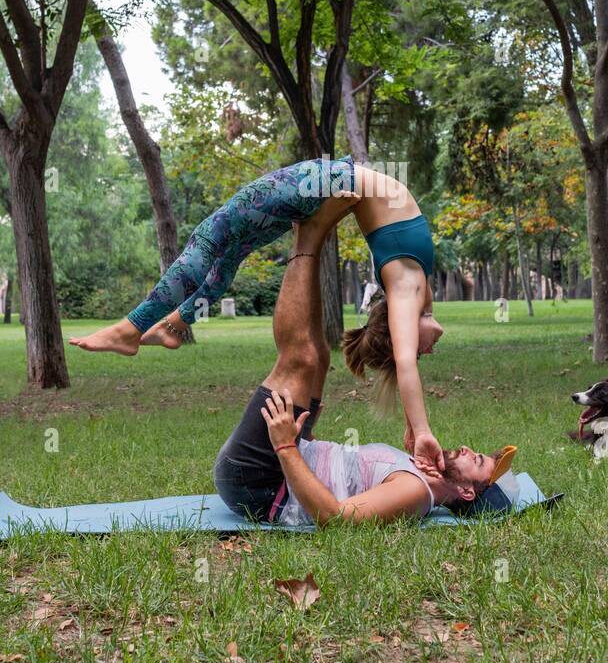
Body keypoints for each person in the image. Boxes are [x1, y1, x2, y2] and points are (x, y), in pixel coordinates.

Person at [69, 154, 446, 466]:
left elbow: (405, 362)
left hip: (320, 181)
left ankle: (133, 329)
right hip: (324, 182)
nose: (425, 350)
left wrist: (424, 429)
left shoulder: (406, 287)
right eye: (422, 349)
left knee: (214, 239)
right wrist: (415, 428)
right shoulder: (419, 285)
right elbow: (406, 360)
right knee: (227, 251)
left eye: (416, 348)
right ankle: (173, 324)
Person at [212, 205, 516, 526]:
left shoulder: (415, 491)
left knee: (301, 359)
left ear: (468, 492)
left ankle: (309, 237)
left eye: (477, 459)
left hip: (260, 480)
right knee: (319, 356)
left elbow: (336, 519)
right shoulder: (420, 471)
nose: (469, 448)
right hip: (286, 457)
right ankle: (311, 236)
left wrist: (287, 446)